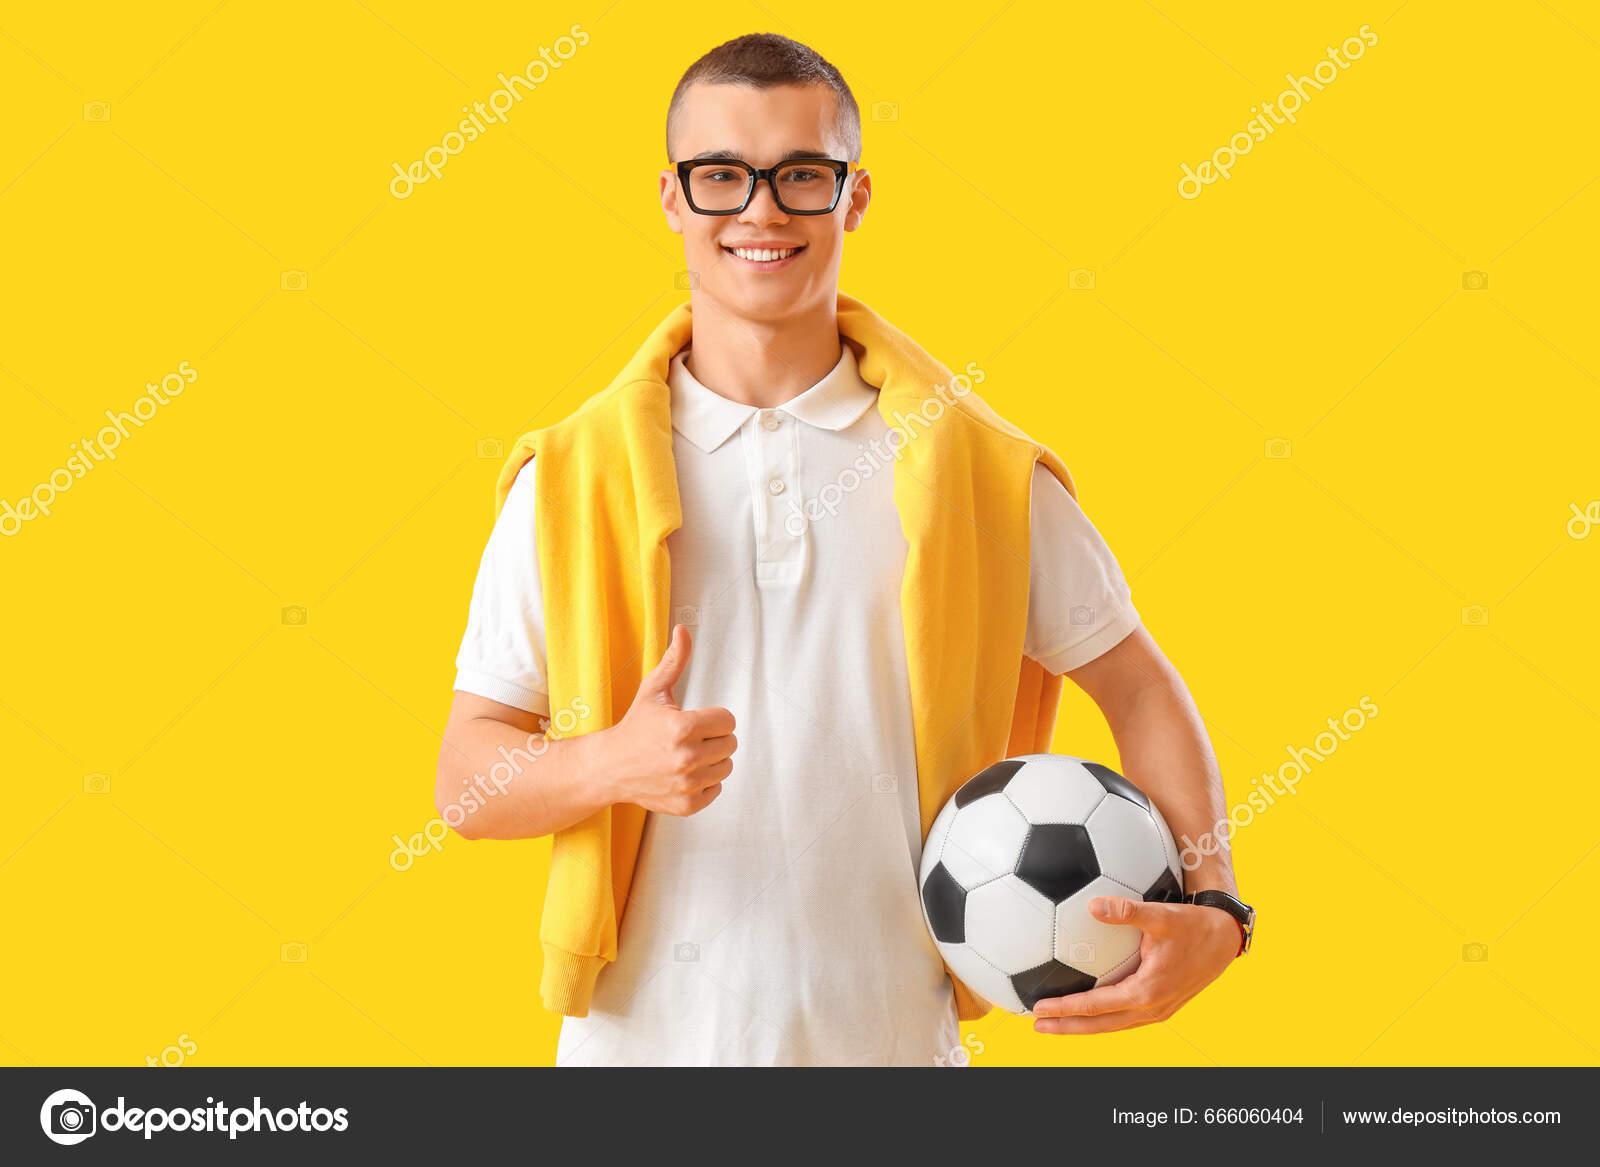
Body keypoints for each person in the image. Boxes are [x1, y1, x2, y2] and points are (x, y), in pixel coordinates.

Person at [436, 32, 1249, 1066]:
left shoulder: (978, 474)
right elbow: (465, 775)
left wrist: (1216, 904)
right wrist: (607, 764)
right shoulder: (569, 480)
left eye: (801, 176)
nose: (761, 211)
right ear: (673, 198)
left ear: (853, 196)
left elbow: (1138, 688)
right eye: (722, 176)